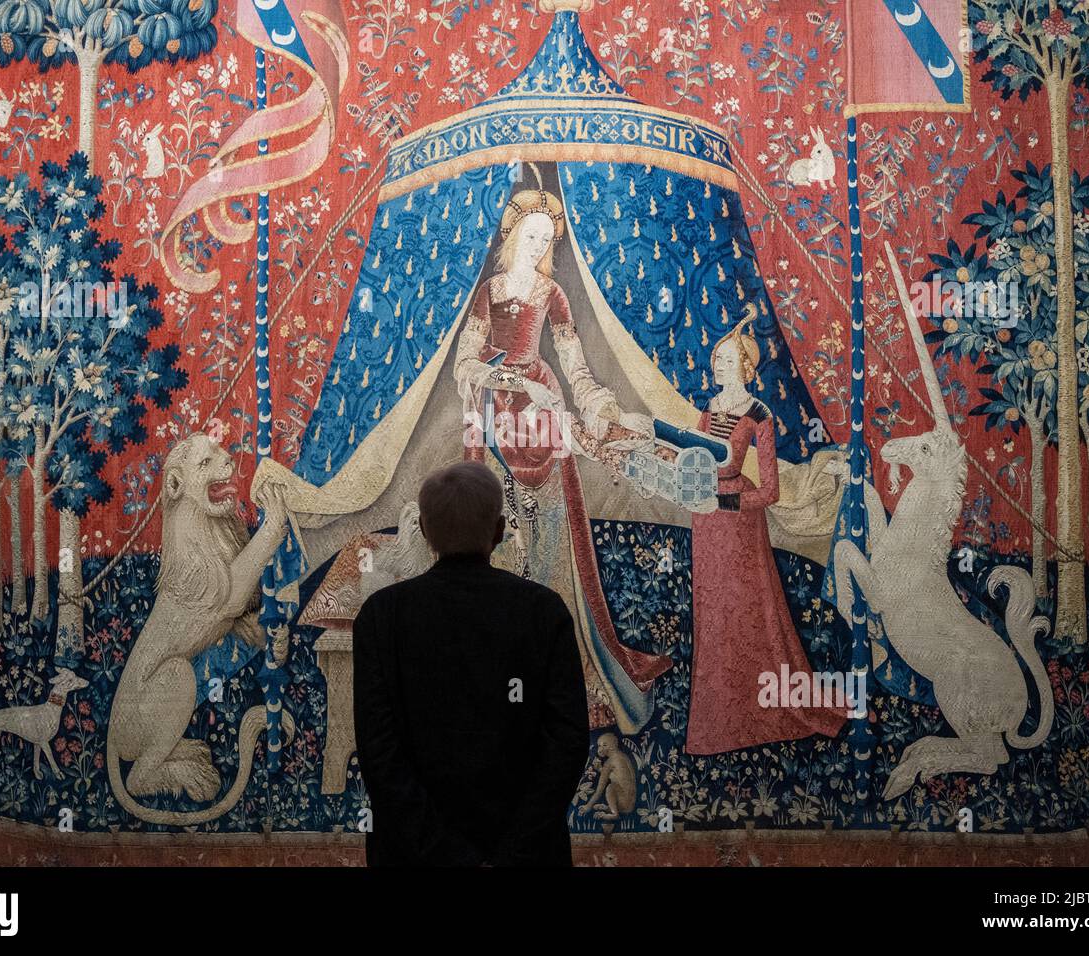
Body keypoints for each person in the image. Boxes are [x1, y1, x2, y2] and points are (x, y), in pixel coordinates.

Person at [453, 186, 671, 736]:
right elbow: (465, 360)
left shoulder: (553, 294)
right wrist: (505, 378)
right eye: (530, 236)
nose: (537, 245)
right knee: (499, 538)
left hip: (542, 410)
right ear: (511, 238)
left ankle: (554, 665)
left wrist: (596, 401)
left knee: (550, 538)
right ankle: (498, 670)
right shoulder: (490, 292)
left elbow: (573, 363)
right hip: (496, 414)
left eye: (546, 240)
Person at [353, 460, 590, 866]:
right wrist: (513, 851)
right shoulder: (542, 612)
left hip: (412, 857)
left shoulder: (382, 616)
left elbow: (379, 754)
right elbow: (567, 744)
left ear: (425, 532)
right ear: (499, 531)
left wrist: (444, 854)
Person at [685, 319, 847, 754]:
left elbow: (771, 490)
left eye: (726, 359)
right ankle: (716, 720)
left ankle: (762, 712)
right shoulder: (707, 409)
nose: (717, 364)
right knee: (712, 614)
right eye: (716, 358)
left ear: (745, 365)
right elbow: (697, 465)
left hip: (738, 525)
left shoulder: (758, 415)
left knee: (746, 611)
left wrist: (730, 505)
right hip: (706, 522)